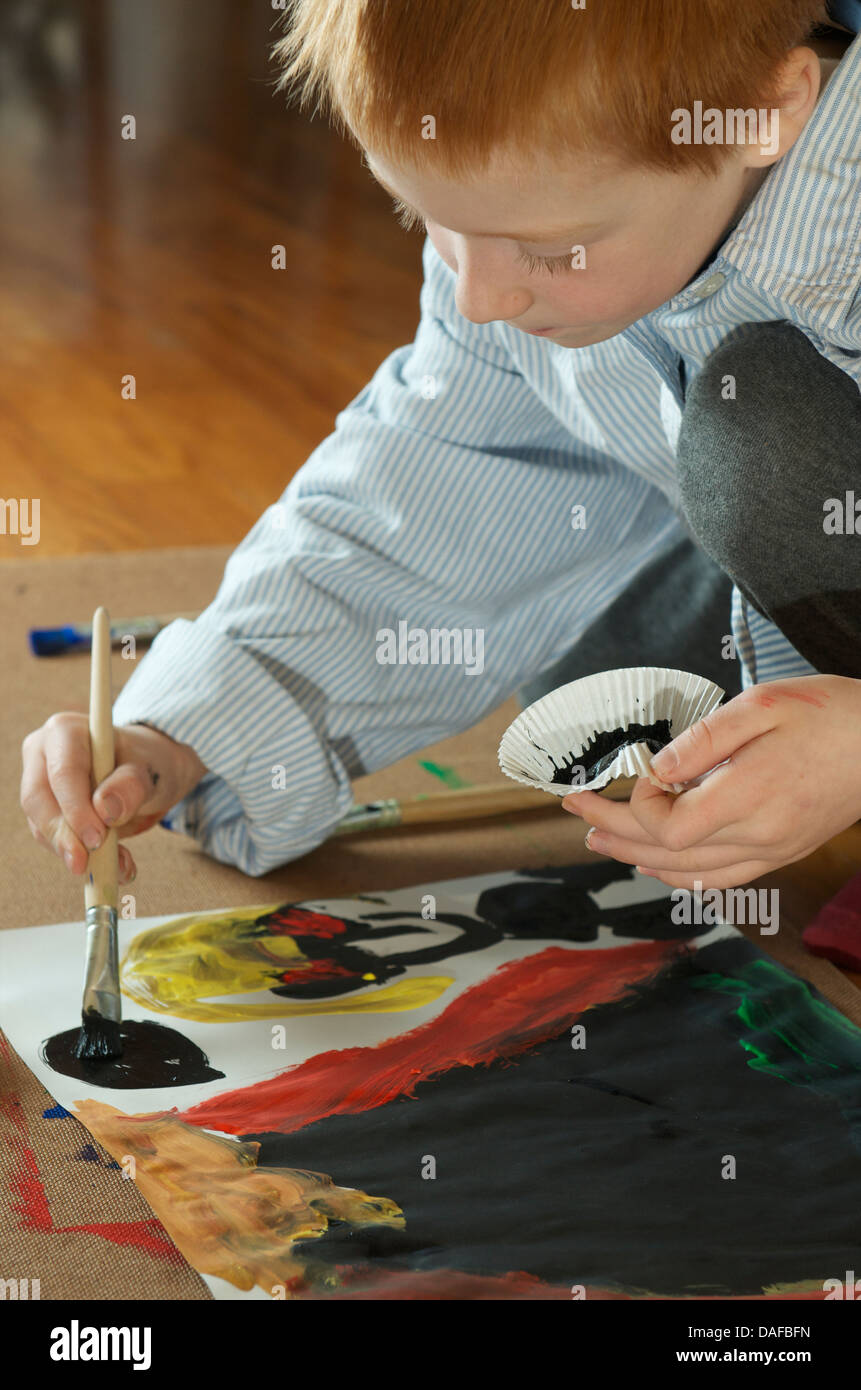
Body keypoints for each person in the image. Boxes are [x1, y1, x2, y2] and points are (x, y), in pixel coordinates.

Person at [20, 1, 861, 892]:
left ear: (766, 114)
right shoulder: (521, 242)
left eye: (550, 251)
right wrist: (183, 733)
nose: (480, 299)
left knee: (760, 455)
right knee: (599, 691)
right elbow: (445, 485)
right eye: (426, 217)